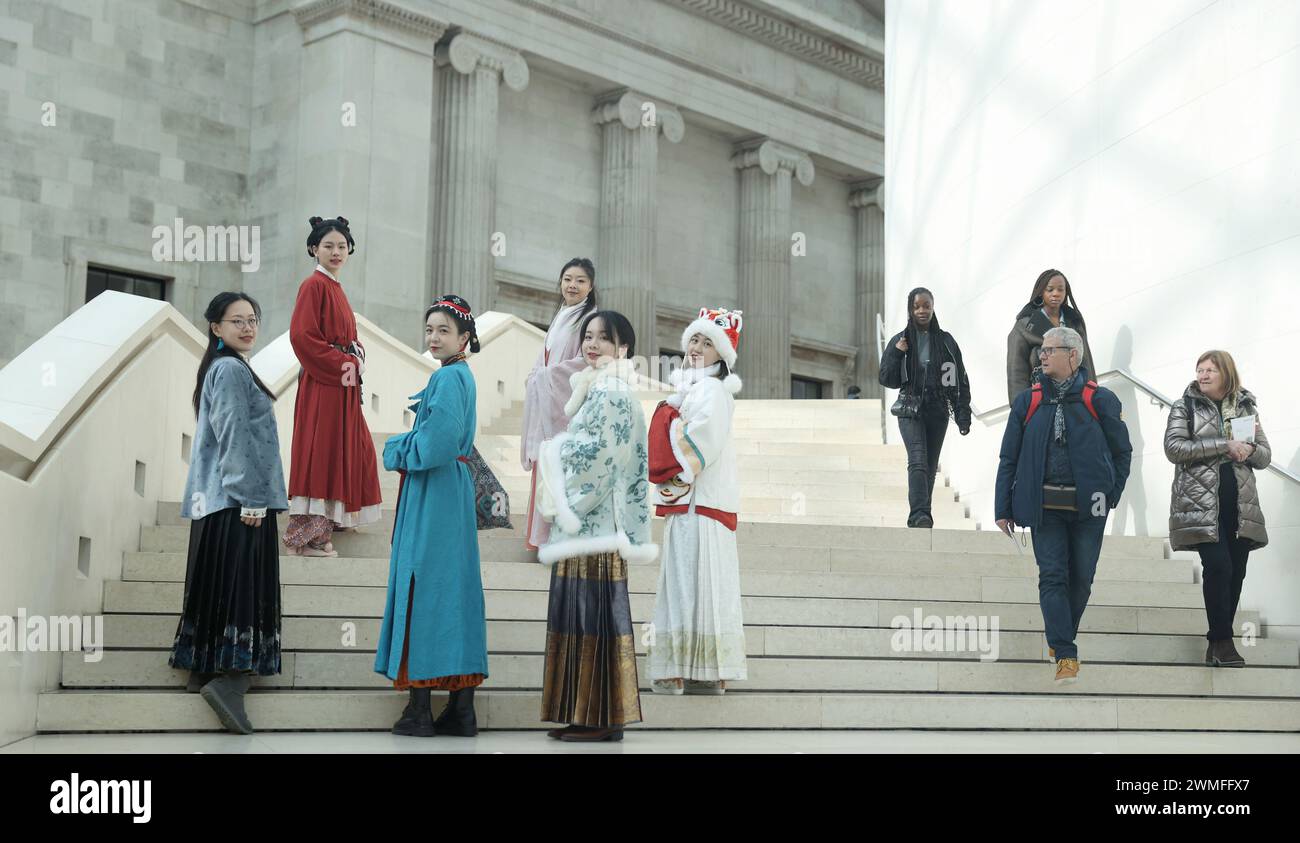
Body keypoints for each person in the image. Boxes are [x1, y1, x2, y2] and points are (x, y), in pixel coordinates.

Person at [535, 310, 656, 742]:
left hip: (594, 525)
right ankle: (588, 713)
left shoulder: (610, 393)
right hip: (587, 525)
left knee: (591, 618)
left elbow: (601, 459)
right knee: (585, 617)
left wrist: (555, 455)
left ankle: (601, 717)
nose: (592, 344)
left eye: (604, 338)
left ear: (623, 348)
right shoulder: (597, 388)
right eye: (588, 336)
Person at [170, 292, 287, 735]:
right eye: (236, 320)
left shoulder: (220, 370)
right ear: (215, 328)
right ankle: (231, 682)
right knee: (243, 590)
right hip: (239, 503)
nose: (247, 327)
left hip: (216, 504)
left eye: (253, 319)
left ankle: (203, 671)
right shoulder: (231, 370)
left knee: (218, 585)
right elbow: (234, 435)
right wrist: (250, 496)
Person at [375, 295, 489, 737]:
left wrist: (395, 448)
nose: (434, 337)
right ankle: (460, 708)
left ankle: (419, 708)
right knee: (452, 588)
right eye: (429, 330)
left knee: (425, 584)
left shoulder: (448, 380)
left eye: (444, 330)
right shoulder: (457, 376)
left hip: (437, 488)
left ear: (464, 337)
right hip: (448, 489)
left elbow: (436, 444)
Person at [995, 326, 1132, 685]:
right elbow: (1008, 456)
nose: (1042, 355)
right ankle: (1065, 652)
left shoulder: (1099, 399)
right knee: (1052, 575)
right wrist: (1002, 506)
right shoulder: (1028, 401)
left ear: (1073, 355)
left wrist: (1111, 492)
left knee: (1082, 578)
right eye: (1042, 349)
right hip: (1043, 505)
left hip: (1090, 507)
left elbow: (1122, 452)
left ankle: (1060, 634)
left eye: (1050, 350)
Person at [647, 307, 747, 695]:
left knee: (690, 580)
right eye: (694, 339)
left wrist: (668, 422)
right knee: (696, 581)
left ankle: (682, 668)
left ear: (721, 355)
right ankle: (704, 668)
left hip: (700, 503)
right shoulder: (691, 389)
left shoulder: (711, 390)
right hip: (695, 502)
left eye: (708, 343)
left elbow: (702, 440)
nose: (697, 348)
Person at [1164, 350, 1271, 667]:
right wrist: (1223, 445)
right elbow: (1174, 448)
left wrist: (1248, 449)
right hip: (1199, 502)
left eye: (1211, 369)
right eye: (1200, 369)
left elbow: (1264, 456)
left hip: (1239, 502)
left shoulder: (1245, 407)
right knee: (1219, 566)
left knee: (1236, 572)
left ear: (1226, 373)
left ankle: (1218, 645)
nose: (1203, 375)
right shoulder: (1185, 406)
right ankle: (1222, 641)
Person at [283, 216, 382, 557]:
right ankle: (309, 536)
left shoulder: (336, 289)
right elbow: (303, 337)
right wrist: (346, 364)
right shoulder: (314, 286)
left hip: (340, 384)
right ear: (314, 249)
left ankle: (334, 519)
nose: (336, 252)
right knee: (321, 451)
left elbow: (348, 340)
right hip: (323, 384)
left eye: (342, 246)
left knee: (352, 447)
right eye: (329, 246)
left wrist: (356, 356)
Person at [878, 288, 972, 528]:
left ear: (933, 307)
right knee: (918, 459)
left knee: (930, 465)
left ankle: (923, 514)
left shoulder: (946, 341)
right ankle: (919, 514)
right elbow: (887, 378)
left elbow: (958, 379)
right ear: (911, 309)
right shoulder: (902, 340)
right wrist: (897, 354)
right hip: (910, 409)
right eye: (917, 306)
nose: (922, 310)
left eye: (926, 306)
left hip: (937, 409)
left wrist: (962, 414)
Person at [520, 258, 596, 552]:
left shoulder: (590, 319)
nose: (572, 285)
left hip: (569, 408)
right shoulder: (562, 315)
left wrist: (547, 377)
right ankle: (541, 540)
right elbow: (545, 358)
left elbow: (584, 361)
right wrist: (536, 378)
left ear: (590, 286)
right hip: (548, 404)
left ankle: (559, 540)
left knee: (562, 472)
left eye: (580, 280)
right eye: (567, 279)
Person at [1006, 269, 1097, 404]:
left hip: (1076, 399)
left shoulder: (1074, 321)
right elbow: (1016, 372)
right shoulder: (1023, 325)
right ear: (1041, 291)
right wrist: (1020, 408)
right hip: (1043, 402)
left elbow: (1086, 362)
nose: (1056, 294)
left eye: (1061, 289)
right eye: (1050, 290)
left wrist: (1093, 397)